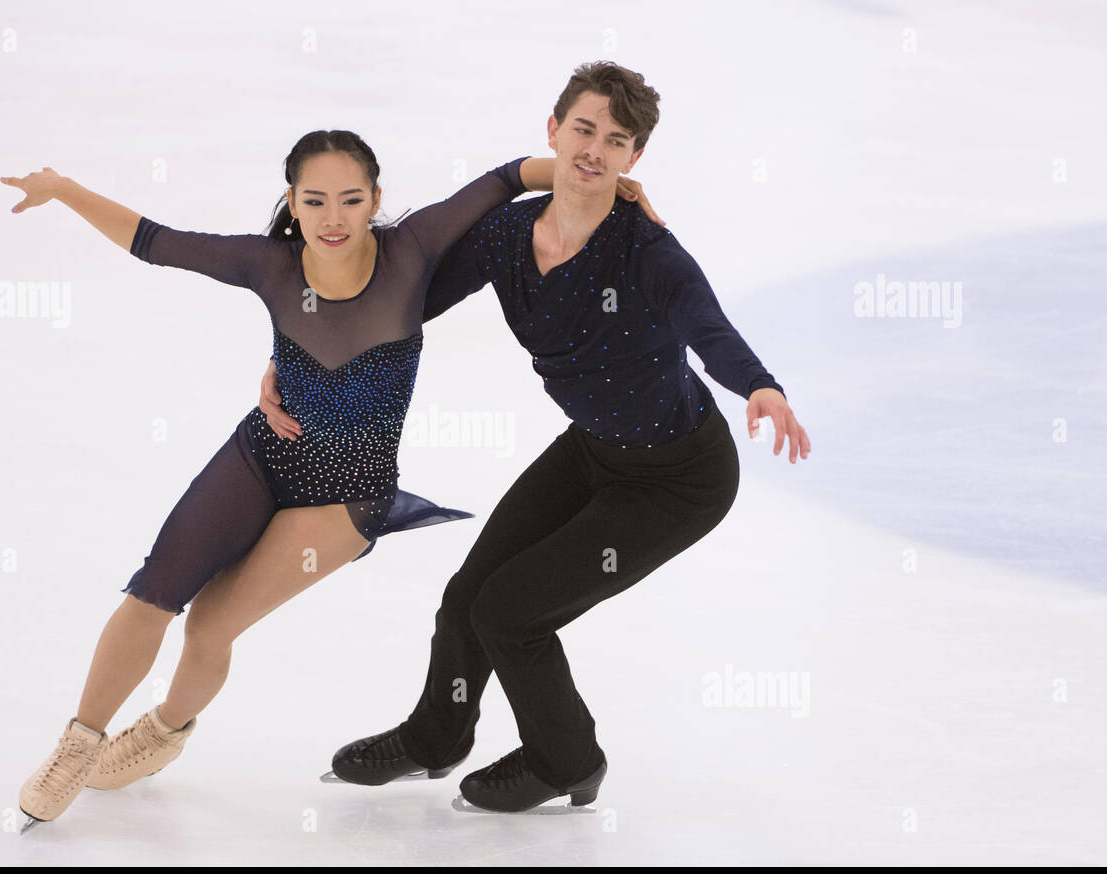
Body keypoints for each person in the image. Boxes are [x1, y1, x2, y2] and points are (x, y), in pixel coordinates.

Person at [0, 131, 654, 831]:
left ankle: (161, 732)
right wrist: (64, 191)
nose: (333, 217)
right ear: (292, 203)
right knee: (156, 588)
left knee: (211, 626)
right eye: (314, 201)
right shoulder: (268, 265)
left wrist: (593, 178)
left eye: (350, 199)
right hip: (263, 455)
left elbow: (503, 178)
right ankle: (78, 744)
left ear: (376, 199)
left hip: (347, 496)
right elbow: (155, 241)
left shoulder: (412, 249)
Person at [259, 62, 811, 812]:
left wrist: (761, 385)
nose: (594, 149)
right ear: (553, 131)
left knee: (510, 612)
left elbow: (705, 324)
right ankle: (435, 736)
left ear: (633, 159)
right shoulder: (509, 234)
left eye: (615, 140)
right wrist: (295, 351)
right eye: (583, 129)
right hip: (594, 450)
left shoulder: (648, 254)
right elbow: (400, 300)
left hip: (679, 480)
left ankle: (568, 760)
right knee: (467, 597)